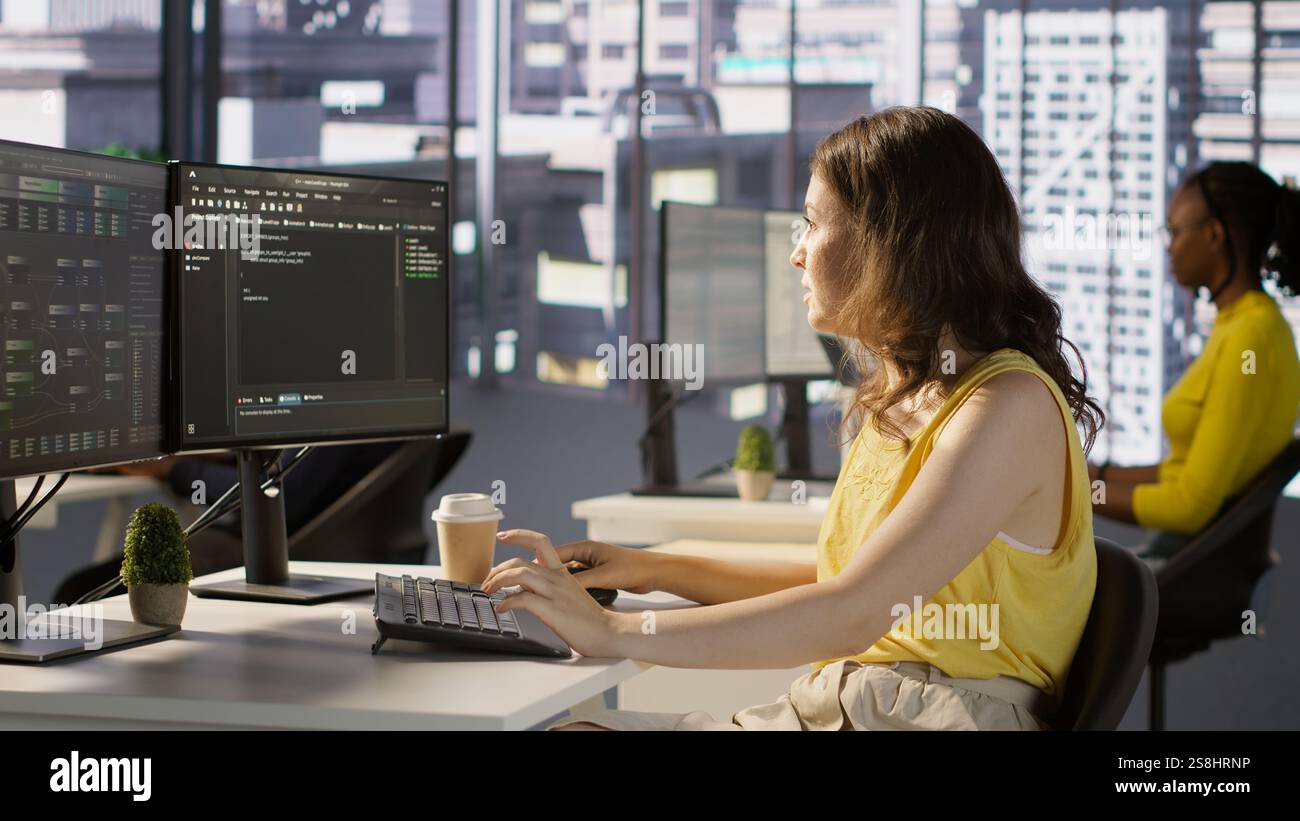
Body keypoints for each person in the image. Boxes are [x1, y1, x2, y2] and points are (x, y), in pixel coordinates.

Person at [479, 106, 1104, 731]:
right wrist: (653, 568)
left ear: (890, 244)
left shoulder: (1007, 407)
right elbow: (846, 582)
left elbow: (852, 612)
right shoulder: (903, 398)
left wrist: (615, 630)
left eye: (814, 224)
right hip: (851, 708)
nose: (797, 254)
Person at [1088, 162, 1300, 565]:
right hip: (1181, 557)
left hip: (1181, 563)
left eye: (1175, 231)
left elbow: (1189, 505)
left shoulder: (1251, 341)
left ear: (1214, 235)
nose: (1169, 247)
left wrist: (1076, 493)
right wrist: (1093, 475)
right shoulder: (1241, 324)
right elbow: (1181, 469)